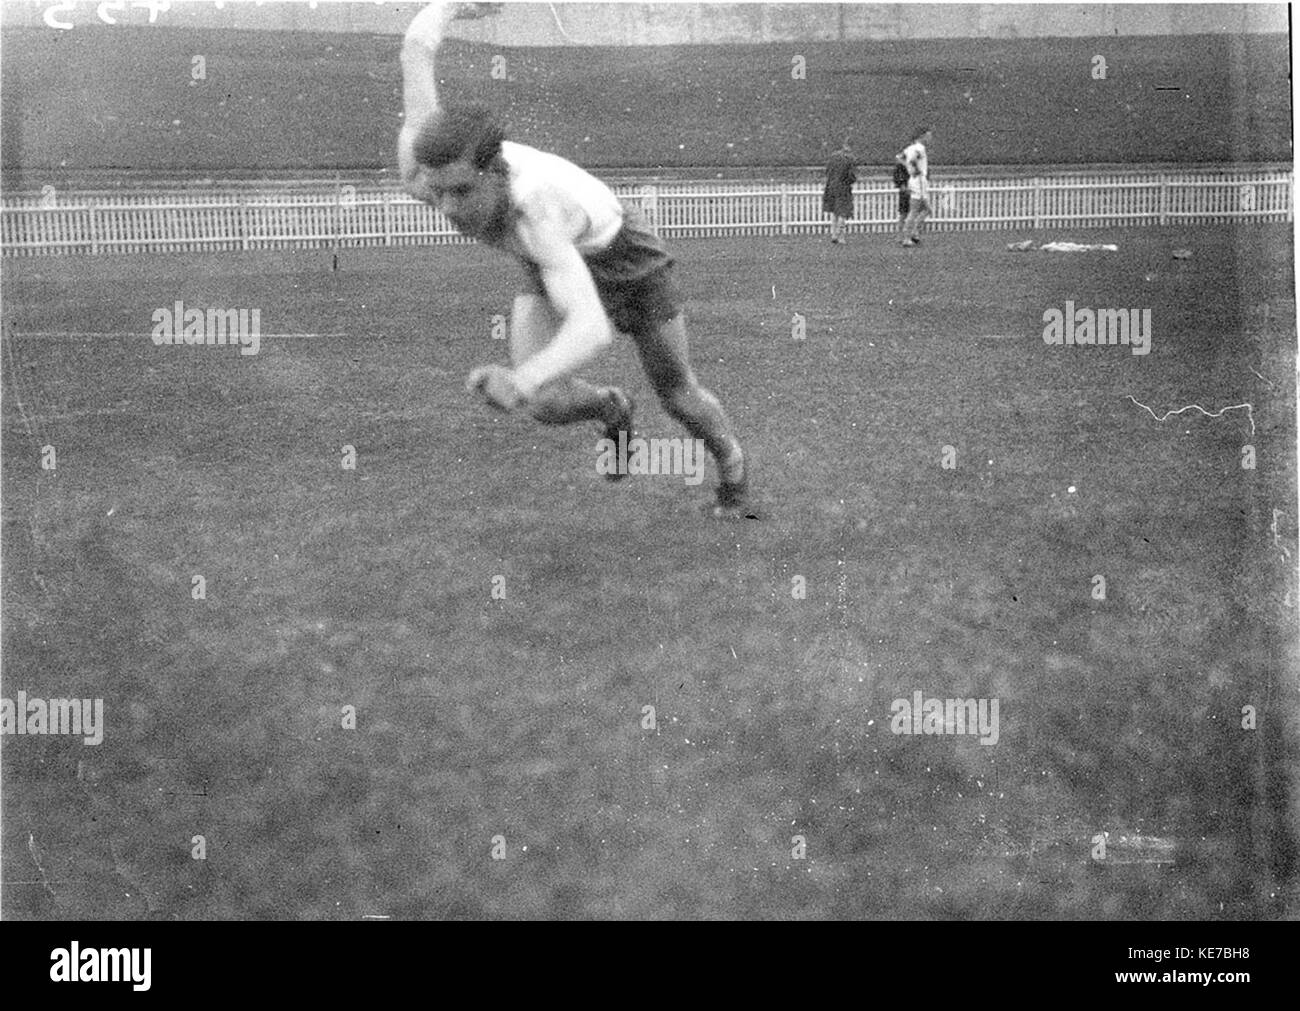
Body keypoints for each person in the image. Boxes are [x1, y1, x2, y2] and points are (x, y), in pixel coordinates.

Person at [397, 3, 750, 516]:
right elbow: (415, 50)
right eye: (439, 193)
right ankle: (612, 407)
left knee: (676, 394)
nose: (448, 210)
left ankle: (734, 472)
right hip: (552, 259)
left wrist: (516, 378)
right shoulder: (425, 171)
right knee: (545, 402)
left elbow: (590, 328)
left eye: (461, 193)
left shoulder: (537, 210)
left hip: (626, 258)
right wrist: (454, 4)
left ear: (496, 174)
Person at [897, 128, 933, 246]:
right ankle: (908, 236)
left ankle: (912, 233)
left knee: (925, 209)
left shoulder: (909, 148)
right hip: (919, 180)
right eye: (928, 136)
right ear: (922, 136)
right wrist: (915, 170)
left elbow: (899, 158)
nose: (930, 139)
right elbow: (912, 160)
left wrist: (908, 166)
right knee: (916, 210)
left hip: (914, 180)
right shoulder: (920, 148)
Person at [821, 140, 856, 244]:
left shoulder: (833, 157)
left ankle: (834, 234)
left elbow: (827, 171)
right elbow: (851, 176)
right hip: (843, 188)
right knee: (842, 213)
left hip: (830, 187)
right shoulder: (849, 159)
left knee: (834, 212)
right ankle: (840, 236)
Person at [892, 154, 911, 239]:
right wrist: (901, 185)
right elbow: (897, 179)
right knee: (903, 214)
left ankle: (909, 234)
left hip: (911, 191)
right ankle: (900, 235)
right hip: (905, 193)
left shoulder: (909, 167)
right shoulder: (899, 169)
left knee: (910, 214)